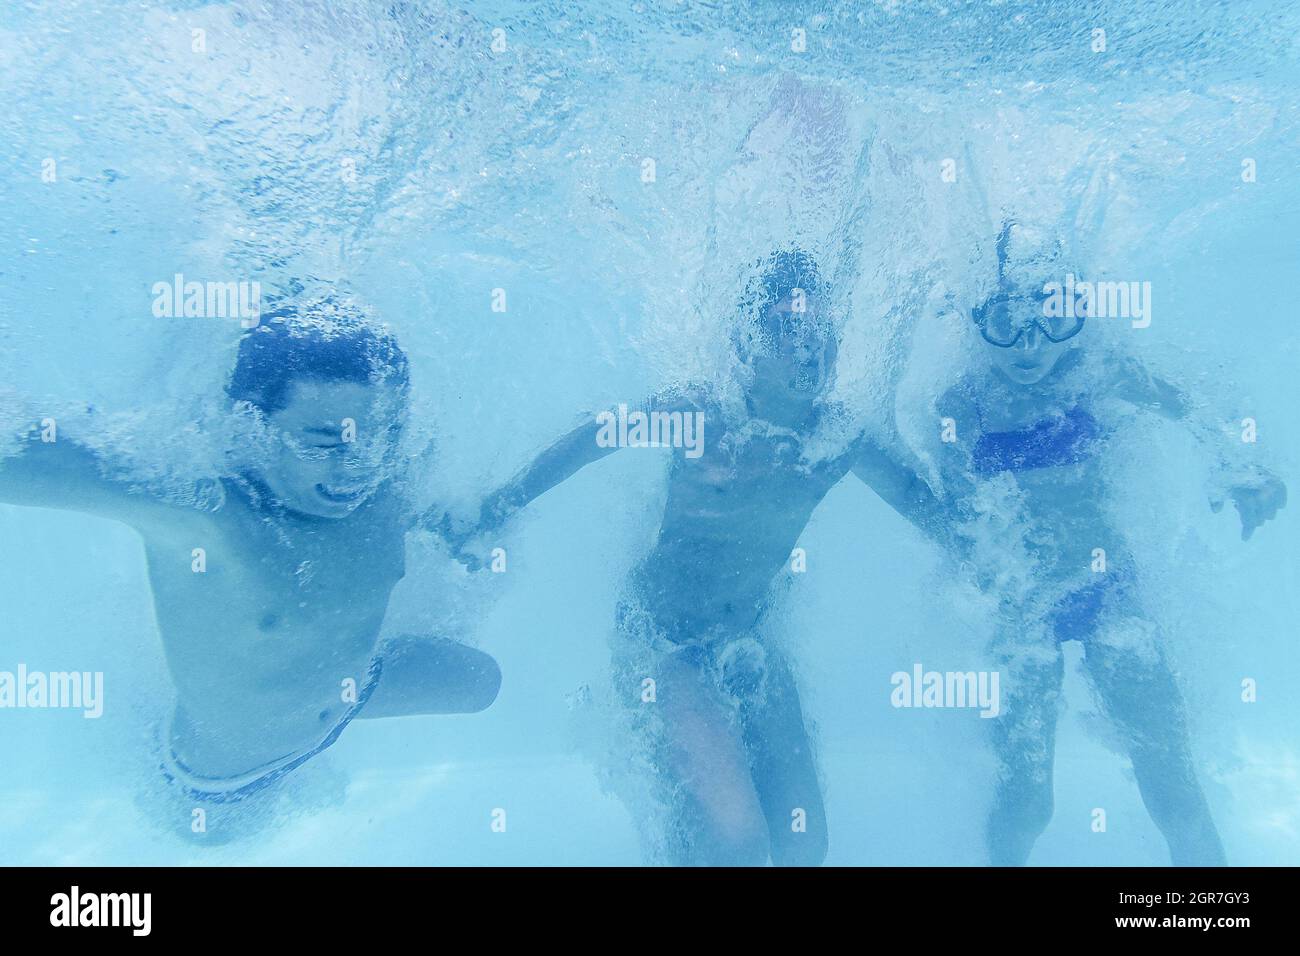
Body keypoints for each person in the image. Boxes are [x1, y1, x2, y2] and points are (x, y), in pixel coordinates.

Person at [444, 250, 943, 865]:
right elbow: (592, 439)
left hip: (748, 638)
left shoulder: (835, 439)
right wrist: (496, 506)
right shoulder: (701, 416)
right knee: (736, 843)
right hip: (664, 642)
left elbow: (922, 504)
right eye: (786, 333)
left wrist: (997, 552)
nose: (809, 351)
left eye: (820, 334)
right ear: (745, 343)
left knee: (803, 846)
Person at [856, 221, 1286, 865]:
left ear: (1076, 313)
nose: (1029, 344)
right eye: (1005, 320)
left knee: (1173, 789)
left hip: (1110, 595)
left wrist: (1244, 466)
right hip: (1021, 613)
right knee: (1028, 803)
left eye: (1050, 318)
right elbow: (958, 522)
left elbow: (1193, 406)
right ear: (978, 318)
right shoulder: (963, 405)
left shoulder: (1092, 372)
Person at [0, 298, 501, 831]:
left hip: (346, 696)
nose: (358, 464)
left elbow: (447, 507)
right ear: (251, 426)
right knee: (210, 848)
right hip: (224, 780)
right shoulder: (206, 517)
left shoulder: (386, 477)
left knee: (482, 683)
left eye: (384, 434)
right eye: (324, 441)